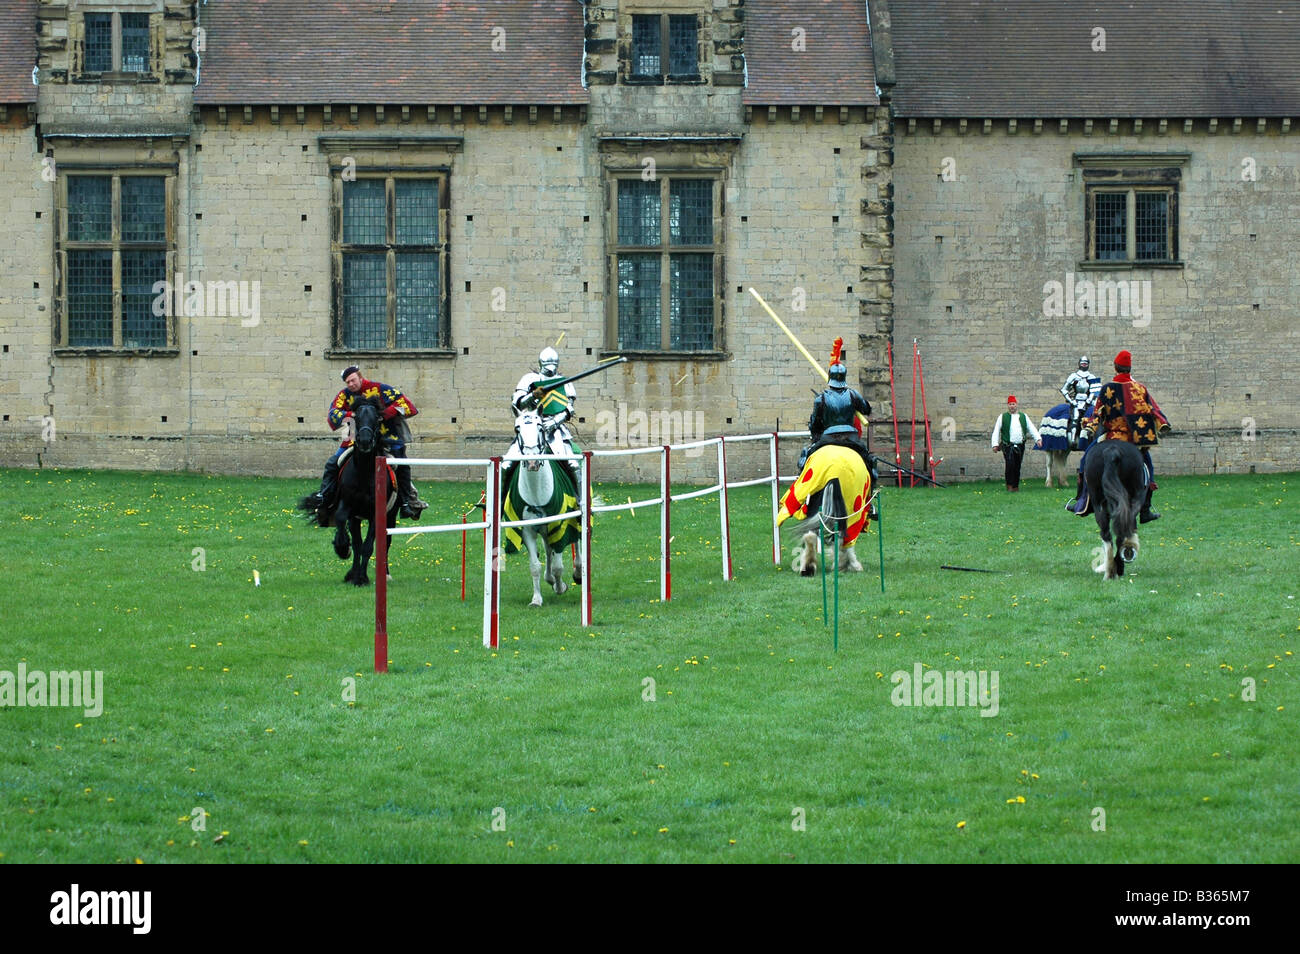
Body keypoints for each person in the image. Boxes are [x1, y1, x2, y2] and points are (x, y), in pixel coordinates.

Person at [305, 366, 428, 522]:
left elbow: (408, 406)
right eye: (347, 382)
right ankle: (324, 497)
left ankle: (406, 503)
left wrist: (388, 412)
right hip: (353, 440)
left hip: (387, 438)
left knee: (402, 467)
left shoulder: (380, 389)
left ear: (360, 378)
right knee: (332, 463)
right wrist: (352, 414)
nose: (350, 384)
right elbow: (333, 415)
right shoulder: (344, 395)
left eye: (353, 380)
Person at [1072, 349, 1170, 522]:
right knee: (1148, 467)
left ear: (1115, 368)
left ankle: (1081, 501)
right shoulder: (1140, 389)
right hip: (1133, 441)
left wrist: (1089, 427)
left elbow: (1097, 414)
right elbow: (1153, 409)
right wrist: (1162, 423)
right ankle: (1146, 509)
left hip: (1111, 437)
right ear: (1129, 368)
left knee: (1085, 461)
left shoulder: (1107, 388)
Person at [504, 347, 581, 488]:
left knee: (573, 464)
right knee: (506, 465)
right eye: (547, 367)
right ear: (541, 364)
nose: (550, 371)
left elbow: (569, 408)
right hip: (531, 427)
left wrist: (555, 421)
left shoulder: (564, 381)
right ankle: (498, 503)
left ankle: (580, 502)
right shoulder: (529, 379)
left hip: (556, 429)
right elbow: (517, 404)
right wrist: (532, 395)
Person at [798, 337, 873, 476]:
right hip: (851, 437)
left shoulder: (821, 399)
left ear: (830, 377)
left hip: (828, 437)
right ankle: (871, 485)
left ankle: (804, 489)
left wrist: (815, 437)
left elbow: (815, 424)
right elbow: (867, 410)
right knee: (868, 461)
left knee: (806, 458)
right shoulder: (853, 394)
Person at [991, 395, 1041, 492]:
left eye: (1013, 404)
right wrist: (995, 444)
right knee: (1010, 465)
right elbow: (996, 430)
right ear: (1008, 405)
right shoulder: (1002, 417)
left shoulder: (1023, 416)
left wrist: (1038, 439)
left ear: (1016, 405)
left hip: (1020, 445)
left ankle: (1015, 486)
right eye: (1010, 404)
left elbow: (1032, 428)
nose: (1012, 406)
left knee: (1017, 466)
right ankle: (1009, 485)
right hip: (1008, 446)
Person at [1059, 356, 1101, 449]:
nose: (1084, 365)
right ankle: (1073, 439)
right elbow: (1064, 390)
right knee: (1076, 418)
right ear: (1079, 364)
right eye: (1082, 363)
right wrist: (1071, 401)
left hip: (1088, 402)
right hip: (1076, 401)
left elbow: (1095, 390)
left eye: (1086, 363)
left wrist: (1090, 399)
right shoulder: (1073, 376)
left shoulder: (1091, 377)